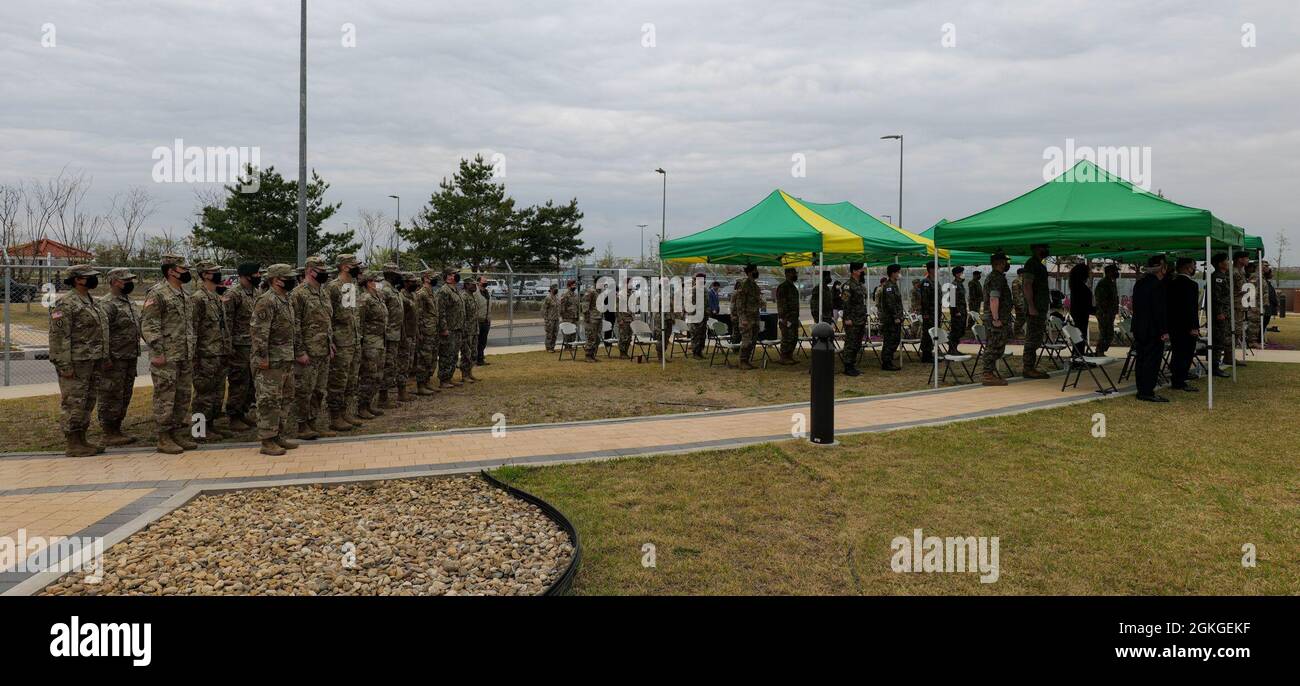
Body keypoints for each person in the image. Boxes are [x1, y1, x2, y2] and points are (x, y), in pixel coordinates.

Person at [49, 264, 110, 457]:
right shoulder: (65, 304)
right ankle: (73, 443)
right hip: (76, 362)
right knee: (74, 402)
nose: (93, 279)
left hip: (94, 360)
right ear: (77, 279)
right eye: (88, 276)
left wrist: (105, 356)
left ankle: (82, 439)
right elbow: (59, 337)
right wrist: (64, 365)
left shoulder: (92, 301)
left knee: (88, 400)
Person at [141, 255, 197, 454]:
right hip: (166, 356)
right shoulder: (158, 293)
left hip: (184, 354)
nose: (186, 271)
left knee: (182, 396)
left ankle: (176, 434)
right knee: (166, 396)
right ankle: (164, 437)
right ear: (171, 270)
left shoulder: (184, 293)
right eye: (183, 268)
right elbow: (149, 325)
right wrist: (157, 352)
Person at [251, 264, 303, 455]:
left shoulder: (286, 299)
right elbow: (258, 332)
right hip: (271, 361)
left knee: (285, 398)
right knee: (268, 400)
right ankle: (267, 440)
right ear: (275, 279)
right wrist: (262, 357)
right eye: (287, 277)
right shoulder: (266, 301)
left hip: (286, 358)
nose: (292, 280)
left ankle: (278, 434)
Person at [290, 256, 335, 440]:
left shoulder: (323, 292)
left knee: (319, 390)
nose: (324, 273)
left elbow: (326, 320)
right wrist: (299, 351)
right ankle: (302, 425)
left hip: (322, 350)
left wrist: (330, 343)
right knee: (304, 390)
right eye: (320, 270)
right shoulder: (298, 294)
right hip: (307, 352)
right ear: (310, 271)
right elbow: (295, 325)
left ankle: (314, 422)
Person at [97, 268, 141, 446]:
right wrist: (105, 358)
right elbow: (101, 333)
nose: (130, 283)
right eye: (126, 280)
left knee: (124, 394)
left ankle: (117, 428)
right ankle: (109, 431)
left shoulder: (129, 302)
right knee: (111, 394)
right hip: (114, 358)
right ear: (115, 281)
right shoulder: (108, 304)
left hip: (129, 356)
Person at [189, 260, 233, 440]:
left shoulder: (215, 297)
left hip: (219, 353)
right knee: (203, 395)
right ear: (205, 274)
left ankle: (211, 425)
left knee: (217, 393)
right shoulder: (198, 298)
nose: (218, 274)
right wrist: (194, 355)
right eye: (214, 271)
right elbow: (193, 327)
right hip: (205, 354)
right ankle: (199, 430)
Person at [325, 254, 363, 430]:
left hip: (354, 340)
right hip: (340, 342)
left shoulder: (352, 286)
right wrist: (331, 340)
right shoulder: (333, 287)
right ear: (345, 267)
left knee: (351, 379)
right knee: (338, 381)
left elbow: (353, 314)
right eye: (355, 265)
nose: (358, 268)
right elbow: (327, 316)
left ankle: (346, 412)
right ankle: (335, 416)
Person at [224, 262, 260, 431]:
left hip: (253, 345)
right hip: (239, 347)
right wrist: (228, 346)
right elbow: (227, 322)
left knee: (251, 383)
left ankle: (243, 412)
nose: (258, 276)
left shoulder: (256, 292)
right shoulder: (233, 294)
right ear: (246, 275)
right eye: (255, 273)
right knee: (239, 381)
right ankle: (234, 416)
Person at [1131, 255, 1169, 402]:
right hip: (1153, 329)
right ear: (1161, 268)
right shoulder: (1158, 285)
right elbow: (1159, 310)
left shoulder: (1139, 283)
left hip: (1139, 327)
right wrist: (1164, 331)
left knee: (1141, 359)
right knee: (1152, 361)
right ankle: (1147, 391)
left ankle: (1141, 389)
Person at [356, 271, 389, 417]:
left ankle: (370, 404)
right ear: (369, 282)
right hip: (370, 342)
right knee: (368, 375)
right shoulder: (365, 299)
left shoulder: (378, 297)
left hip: (381, 340)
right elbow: (360, 322)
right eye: (376, 281)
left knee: (377, 375)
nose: (379, 284)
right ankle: (362, 407)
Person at [1166, 257, 1200, 392]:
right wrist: (1194, 326)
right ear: (1187, 267)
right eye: (1193, 266)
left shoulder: (1171, 283)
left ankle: (1177, 376)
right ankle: (1180, 380)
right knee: (1186, 353)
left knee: (1177, 352)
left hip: (1174, 325)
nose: (1194, 269)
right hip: (1187, 326)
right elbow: (1191, 308)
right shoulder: (1191, 285)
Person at [981, 252, 1012, 385]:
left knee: (996, 345)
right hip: (995, 319)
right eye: (1005, 262)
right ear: (1000, 263)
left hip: (997, 317)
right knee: (993, 346)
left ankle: (989, 373)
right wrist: (996, 318)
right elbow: (994, 298)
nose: (1006, 264)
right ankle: (987, 374)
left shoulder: (996, 276)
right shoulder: (996, 278)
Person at [1020, 245, 1051, 378]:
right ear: (1035, 249)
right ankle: (1028, 368)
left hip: (1040, 308)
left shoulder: (1039, 264)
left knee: (1036, 338)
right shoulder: (1031, 264)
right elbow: (1027, 285)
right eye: (1043, 247)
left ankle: (1030, 367)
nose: (1046, 249)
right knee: (1032, 339)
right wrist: (1031, 306)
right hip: (1035, 308)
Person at [378, 265, 405, 407]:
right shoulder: (384, 290)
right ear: (389, 274)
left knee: (391, 366)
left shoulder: (393, 290)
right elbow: (381, 312)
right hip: (387, 335)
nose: (399, 276)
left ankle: (386, 397)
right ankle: (383, 398)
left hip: (395, 334)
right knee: (386, 366)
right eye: (397, 274)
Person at [412, 269, 440, 395]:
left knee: (432, 358)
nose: (435, 279)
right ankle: (420, 385)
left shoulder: (431, 292)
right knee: (424, 358)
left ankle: (427, 381)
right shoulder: (421, 294)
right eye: (432, 277)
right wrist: (419, 332)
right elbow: (417, 315)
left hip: (433, 330)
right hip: (425, 331)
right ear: (426, 278)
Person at [435, 268, 464, 389]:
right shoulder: (444, 291)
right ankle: (443, 379)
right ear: (448, 276)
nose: (455, 276)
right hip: (449, 328)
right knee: (446, 354)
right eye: (453, 274)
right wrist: (444, 328)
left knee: (453, 354)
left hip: (457, 328)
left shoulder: (455, 290)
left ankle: (449, 377)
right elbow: (441, 311)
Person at [840, 262, 867, 376]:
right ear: (854, 271)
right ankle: (848, 366)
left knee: (857, 343)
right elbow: (845, 303)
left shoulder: (859, 285)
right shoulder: (847, 285)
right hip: (852, 320)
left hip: (860, 319)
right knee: (850, 343)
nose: (862, 271)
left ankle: (852, 365)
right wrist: (847, 318)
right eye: (861, 269)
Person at [732, 264, 762, 369]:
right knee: (746, 340)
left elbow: (756, 301)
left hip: (755, 317)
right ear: (750, 272)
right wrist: (743, 318)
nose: (757, 272)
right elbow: (739, 303)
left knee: (753, 340)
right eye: (755, 270)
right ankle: (742, 361)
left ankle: (747, 360)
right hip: (747, 318)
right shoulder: (744, 284)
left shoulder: (754, 285)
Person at [1209, 253, 1232, 378]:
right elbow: (1216, 297)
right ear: (1220, 264)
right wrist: (1219, 312)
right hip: (1220, 314)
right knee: (1218, 340)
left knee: (1221, 339)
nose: (1228, 263)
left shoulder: (1223, 276)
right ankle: (1214, 367)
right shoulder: (1217, 277)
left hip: (1224, 313)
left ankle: (1216, 365)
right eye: (1226, 261)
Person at [878, 264, 904, 371]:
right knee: (890, 340)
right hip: (891, 319)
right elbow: (890, 303)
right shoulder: (889, 286)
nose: (899, 274)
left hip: (895, 318)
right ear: (893, 273)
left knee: (895, 339)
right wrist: (895, 316)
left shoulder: (894, 284)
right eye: (898, 272)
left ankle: (888, 360)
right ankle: (886, 362)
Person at [1067, 262, 1095, 361]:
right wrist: (1096, 310)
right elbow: (1085, 305)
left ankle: (1078, 356)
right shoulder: (1080, 288)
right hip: (1081, 315)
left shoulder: (1076, 286)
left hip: (1079, 314)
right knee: (1080, 338)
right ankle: (1079, 358)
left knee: (1078, 338)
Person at [400, 272, 420, 392]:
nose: (415, 283)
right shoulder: (402, 295)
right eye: (412, 282)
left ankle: (405, 386)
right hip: (405, 333)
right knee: (403, 362)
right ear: (406, 282)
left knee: (409, 361)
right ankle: (401, 390)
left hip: (412, 333)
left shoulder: (413, 295)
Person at [775, 268, 800, 365]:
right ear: (787, 274)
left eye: (795, 273)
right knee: (787, 338)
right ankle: (784, 357)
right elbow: (781, 304)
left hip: (793, 318)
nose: (795, 275)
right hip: (786, 318)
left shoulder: (793, 287)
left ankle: (789, 356)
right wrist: (783, 318)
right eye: (793, 273)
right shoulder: (783, 287)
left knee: (793, 338)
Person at [1093, 264, 1120, 356]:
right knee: (1104, 333)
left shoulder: (1111, 283)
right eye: (1115, 271)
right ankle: (1099, 351)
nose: (1117, 273)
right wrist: (1104, 312)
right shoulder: (1103, 283)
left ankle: (1101, 351)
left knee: (1109, 334)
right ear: (1109, 272)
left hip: (1109, 313)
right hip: (1104, 313)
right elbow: (1100, 300)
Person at [459, 279, 480, 382]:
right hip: (467, 330)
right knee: (466, 353)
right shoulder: (464, 297)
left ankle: (470, 372)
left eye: (475, 285)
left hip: (474, 329)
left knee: (474, 353)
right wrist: (464, 329)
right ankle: (464, 375)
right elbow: (462, 315)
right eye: (473, 285)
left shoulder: (473, 296)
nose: (475, 287)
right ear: (466, 285)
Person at [1231, 251, 1249, 365]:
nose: (1248, 260)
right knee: (1233, 332)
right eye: (1246, 258)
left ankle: (1231, 357)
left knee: (1237, 332)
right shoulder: (1234, 272)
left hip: (1239, 306)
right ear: (1239, 259)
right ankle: (1229, 357)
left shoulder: (1241, 272)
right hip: (1234, 306)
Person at [689, 273, 712, 359]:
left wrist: (707, 311)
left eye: (705, 279)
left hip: (704, 316)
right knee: (696, 334)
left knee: (702, 334)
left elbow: (707, 303)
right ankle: (695, 353)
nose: (704, 280)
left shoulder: (705, 290)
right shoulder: (694, 290)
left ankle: (700, 352)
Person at [918, 261, 936, 363]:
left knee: (933, 333)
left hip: (934, 312)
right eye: (935, 268)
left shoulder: (934, 281)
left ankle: (929, 353)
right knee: (927, 333)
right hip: (929, 313)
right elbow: (924, 299)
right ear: (930, 269)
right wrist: (925, 313)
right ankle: (926, 355)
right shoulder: (926, 282)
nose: (937, 270)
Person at [949, 266, 968, 355]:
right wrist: (956, 311)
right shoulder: (953, 285)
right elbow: (952, 300)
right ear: (957, 274)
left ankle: (954, 349)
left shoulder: (960, 284)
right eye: (961, 272)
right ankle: (952, 349)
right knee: (955, 331)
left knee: (960, 331)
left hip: (962, 311)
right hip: (957, 313)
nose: (962, 274)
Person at [582, 279, 603, 362]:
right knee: (591, 337)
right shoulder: (591, 291)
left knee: (597, 338)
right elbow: (585, 304)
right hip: (592, 319)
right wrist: (587, 317)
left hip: (598, 317)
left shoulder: (600, 292)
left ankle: (593, 355)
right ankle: (588, 355)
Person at [1245, 262, 1262, 349]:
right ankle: (1252, 341)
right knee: (1253, 323)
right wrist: (1252, 304)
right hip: (1253, 304)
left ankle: (1253, 340)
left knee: (1256, 323)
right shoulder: (1254, 276)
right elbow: (1252, 291)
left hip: (1257, 303)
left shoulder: (1258, 276)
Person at [617, 278, 635, 358]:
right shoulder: (621, 295)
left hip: (630, 319)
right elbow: (617, 309)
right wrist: (620, 319)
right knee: (623, 337)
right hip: (624, 319)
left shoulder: (630, 294)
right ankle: (622, 353)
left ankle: (626, 352)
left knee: (629, 337)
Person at [475, 275, 491, 365]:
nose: (485, 282)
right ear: (478, 282)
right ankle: (474, 359)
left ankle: (480, 359)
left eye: (486, 281)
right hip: (478, 321)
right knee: (475, 342)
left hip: (486, 321)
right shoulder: (475, 293)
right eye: (484, 281)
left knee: (483, 342)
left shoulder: (487, 292)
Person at [541, 284, 560, 353]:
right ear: (551, 289)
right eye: (555, 288)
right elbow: (544, 309)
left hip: (556, 318)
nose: (556, 289)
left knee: (555, 333)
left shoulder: (557, 297)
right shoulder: (548, 298)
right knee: (549, 334)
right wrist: (546, 320)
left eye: (557, 288)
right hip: (550, 319)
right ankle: (548, 347)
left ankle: (552, 347)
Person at [1011, 268, 1027, 338]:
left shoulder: (1022, 281)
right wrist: (1019, 304)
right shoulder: (1016, 281)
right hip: (1019, 303)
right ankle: (1016, 332)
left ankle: (1020, 332)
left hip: (1024, 303)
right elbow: (1015, 294)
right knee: (1019, 319)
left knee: (1023, 318)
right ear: (1021, 273)